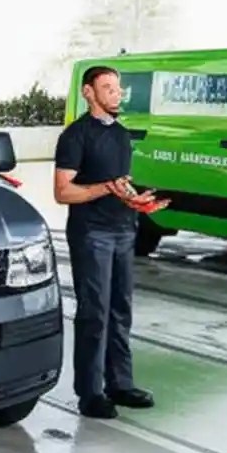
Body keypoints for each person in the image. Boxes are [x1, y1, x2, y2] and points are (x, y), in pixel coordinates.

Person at [53, 65, 167, 419]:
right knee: (95, 313)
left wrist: (136, 200)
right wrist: (105, 189)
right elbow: (63, 192)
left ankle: (120, 383)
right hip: (92, 234)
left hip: (124, 230)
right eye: (108, 88)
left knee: (121, 309)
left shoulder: (120, 135)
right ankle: (90, 393)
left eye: (118, 88)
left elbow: (120, 182)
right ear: (88, 92)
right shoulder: (75, 136)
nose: (117, 94)